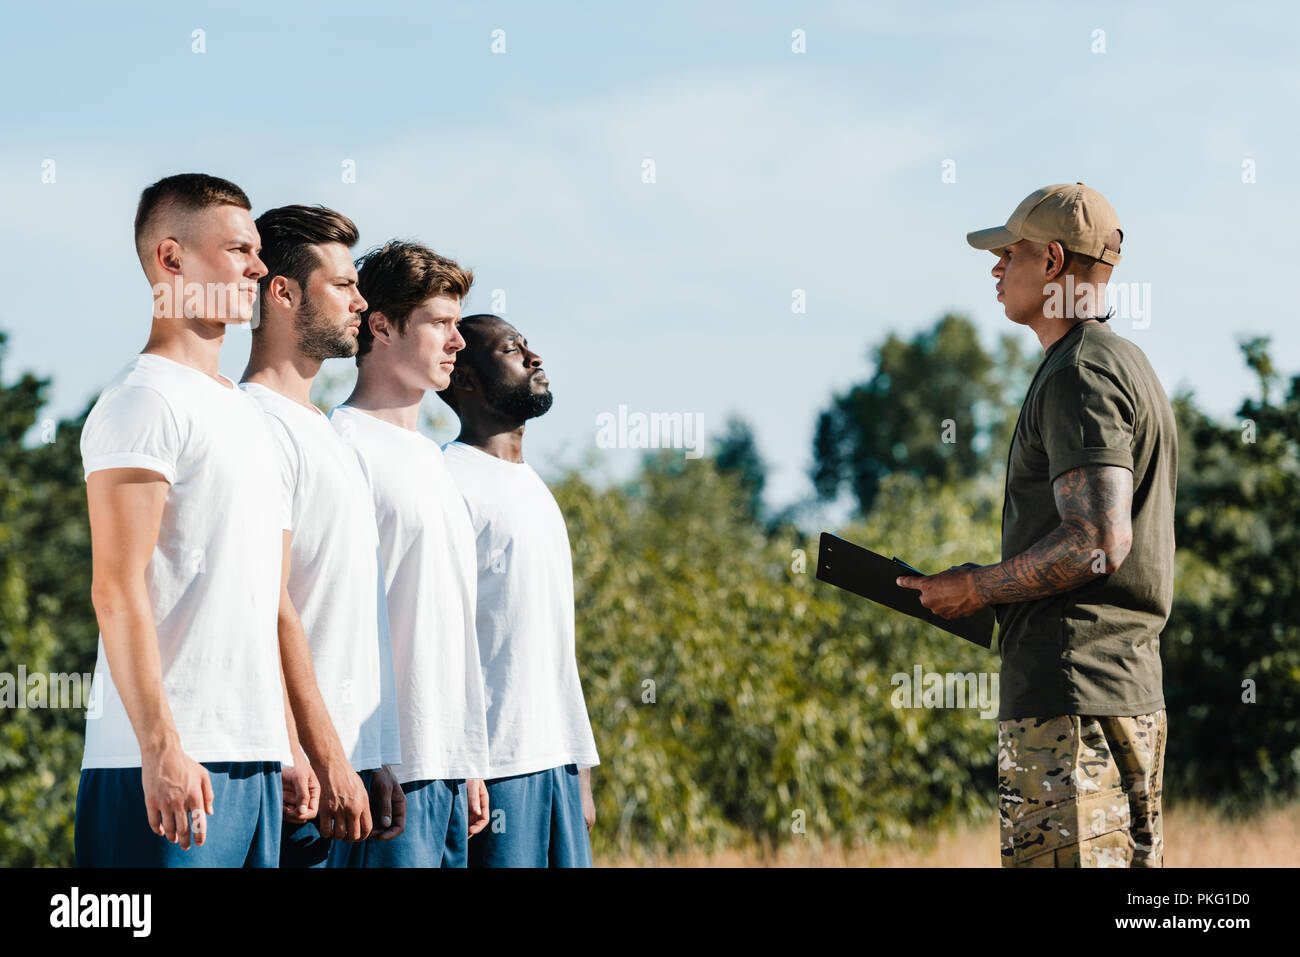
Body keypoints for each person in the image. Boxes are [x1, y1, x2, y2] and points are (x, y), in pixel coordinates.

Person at [896, 183, 1176, 868]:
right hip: (1123, 690)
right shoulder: (1124, 363)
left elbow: (1099, 541)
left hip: (1069, 701)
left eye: (1008, 253)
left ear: (1052, 260)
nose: (995, 269)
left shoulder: (1078, 374)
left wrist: (976, 587)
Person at [75, 173, 294, 866]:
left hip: (254, 762)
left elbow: (265, 601)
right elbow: (116, 587)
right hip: (162, 765)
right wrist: (161, 745)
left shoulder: (249, 417)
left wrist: (285, 746)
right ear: (172, 259)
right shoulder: (142, 401)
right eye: (239, 249)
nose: (260, 267)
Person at [239, 204, 405, 867]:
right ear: (282, 291)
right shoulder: (254, 423)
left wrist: (376, 754)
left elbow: (347, 607)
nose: (361, 303)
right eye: (342, 285)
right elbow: (264, 602)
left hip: (352, 773)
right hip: (305, 785)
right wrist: (301, 750)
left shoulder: (323, 430)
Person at [331, 240, 491, 867]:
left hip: (447, 771)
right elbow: (335, 617)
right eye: (441, 324)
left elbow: (448, 618)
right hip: (386, 778)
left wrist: (469, 760)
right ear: (382, 326)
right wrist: (370, 757)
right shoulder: (342, 444)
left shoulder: (436, 459)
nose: (458, 342)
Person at [437, 315, 600, 867]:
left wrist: (577, 767)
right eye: (512, 350)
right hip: (494, 772)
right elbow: (438, 640)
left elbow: (554, 649)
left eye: (529, 346)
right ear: (465, 381)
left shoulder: (535, 488)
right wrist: (463, 764)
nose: (534, 359)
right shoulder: (448, 482)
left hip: (553, 764)